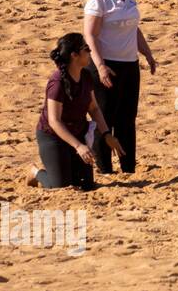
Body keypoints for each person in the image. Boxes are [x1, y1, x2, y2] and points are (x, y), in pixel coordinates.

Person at [82, 0, 157, 175]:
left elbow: (134, 28)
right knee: (104, 119)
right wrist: (101, 66)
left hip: (129, 65)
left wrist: (147, 53)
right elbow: (90, 35)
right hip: (107, 66)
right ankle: (104, 170)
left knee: (127, 119)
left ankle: (128, 168)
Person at [29, 33, 124, 190]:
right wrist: (78, 146)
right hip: (53, 137)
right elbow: (54, 121)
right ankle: (36, 172)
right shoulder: (57, 82)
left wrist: (107, 134)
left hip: (78, 133)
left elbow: (93, 108)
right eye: (86, 48)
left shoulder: (86, 76)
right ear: (74, 55)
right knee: (61, 186)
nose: (90, 52)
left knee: (86, 185)